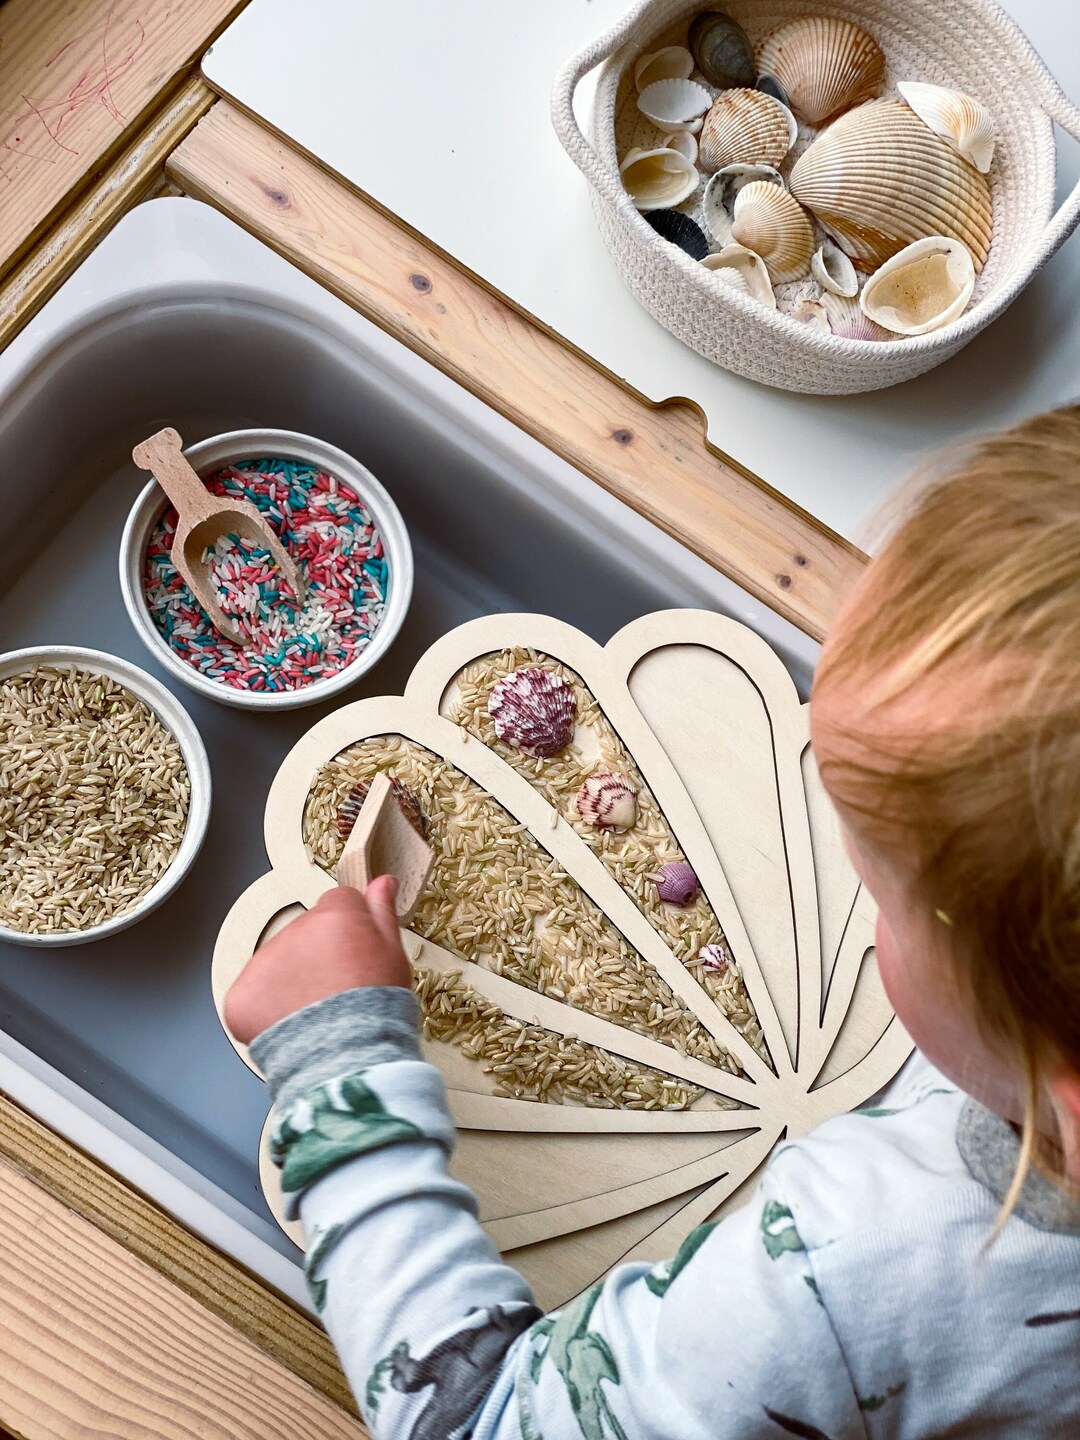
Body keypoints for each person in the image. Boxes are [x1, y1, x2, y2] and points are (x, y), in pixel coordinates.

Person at [226, 406, 1080, 1438]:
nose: (858, 928)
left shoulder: (853, 1275)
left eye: (884, 897)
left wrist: (337, 1069)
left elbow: (481, 1422)